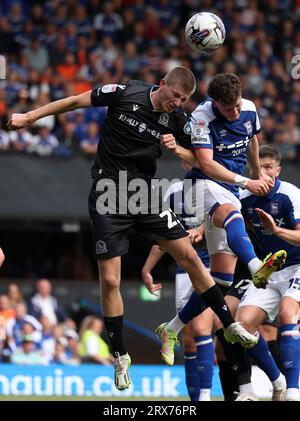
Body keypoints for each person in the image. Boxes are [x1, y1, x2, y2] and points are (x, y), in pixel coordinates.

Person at [9, 66, 259, 391]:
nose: (177, 103)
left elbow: (199, 159)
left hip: (144, 194)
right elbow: (73, 102)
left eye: (183, 100)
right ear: (162, 85)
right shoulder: (124, 92)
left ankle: (228, 324)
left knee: (190, 257)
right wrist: (30, 117)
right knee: (111, 279)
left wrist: (179, 149)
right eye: (174, 97)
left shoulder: (178, 122)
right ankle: (120, 356)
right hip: (107, 193)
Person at [157, 72, 286, 368]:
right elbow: (205, 163)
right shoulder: (202, 117)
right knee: (231, 211)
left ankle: (171, 328)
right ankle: (257, 267)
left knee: (220, 280)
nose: (236, 112)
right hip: (202, 183)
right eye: (229, 109)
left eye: (238, 105)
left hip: (230, 187)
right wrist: (246, 182)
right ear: (215, 103)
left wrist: (256, 174)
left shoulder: (249, 108)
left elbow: (252, 141)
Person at [142, 170, 214, 401]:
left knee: (203, 328)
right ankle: (195, 399)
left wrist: (201, 230)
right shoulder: (173, 192)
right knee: (189, 336)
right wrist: (146, 269)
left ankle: (206, 395)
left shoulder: (216, 188)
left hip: (214, 265)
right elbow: (165, 237)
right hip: (184, 269)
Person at [235, 144, 300, 401]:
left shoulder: (290, 194)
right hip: (268, 270)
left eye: (269, 167)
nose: (263, 172)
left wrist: (276, 231)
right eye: (258, 167)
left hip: (297, 265)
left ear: (278, 170)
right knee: (241, 326)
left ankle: (294, 391)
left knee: (287, 312)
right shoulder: (243, 198)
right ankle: (277, 379)